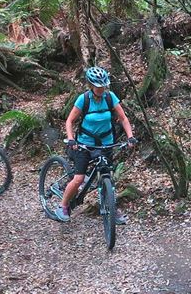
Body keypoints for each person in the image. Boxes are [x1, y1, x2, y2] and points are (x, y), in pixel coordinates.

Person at [52, 66, 135, 223]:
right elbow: (69, 121)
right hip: (84, 144)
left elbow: (123, 119)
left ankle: (112, 208)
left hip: (106, 144)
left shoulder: (110, 97)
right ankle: (62, 206)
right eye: (98, 86)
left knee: (106, 176)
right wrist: (71, 139)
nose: (101, 89)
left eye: (103, 85)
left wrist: (130, 136)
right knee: (78, 179)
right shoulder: (84, 99)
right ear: (91, 85)